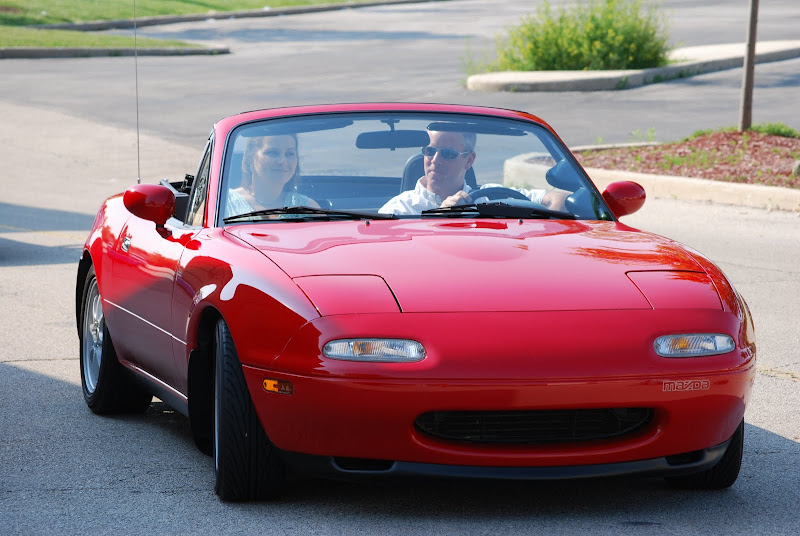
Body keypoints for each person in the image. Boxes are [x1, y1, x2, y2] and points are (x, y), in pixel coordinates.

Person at [378, 129, 568, 215]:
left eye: (448, 154)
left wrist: (548, 225)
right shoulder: (399, 210)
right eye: (430, 151)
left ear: (469, 160)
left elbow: (561, 199)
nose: (435, 160)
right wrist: (437, 219)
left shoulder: (491, 198)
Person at [225, 134, 317, 217]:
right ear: (250, 158)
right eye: (273, 152)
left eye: (290, 154)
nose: (282, 161)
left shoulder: (307, 208)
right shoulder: (225, 204)